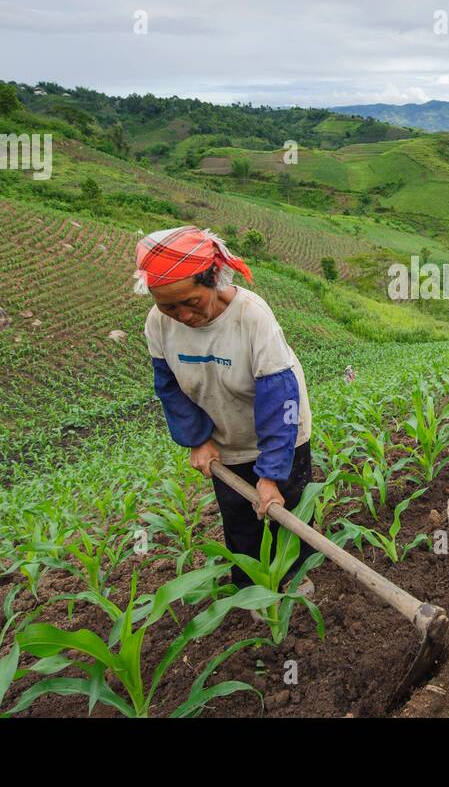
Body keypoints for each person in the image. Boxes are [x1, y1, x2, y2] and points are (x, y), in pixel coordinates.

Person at [134, 224, 315, 591]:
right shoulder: (158, 324)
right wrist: (197, 440)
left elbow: (280, 400)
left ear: (214, 278)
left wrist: (270, 474)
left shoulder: (251, 318)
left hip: (281, 434)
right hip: (225, 439)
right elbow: (168, 386)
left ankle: (296, 584)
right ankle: (249, 593)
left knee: (288, 513)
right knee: (239, 520)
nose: (182, 315)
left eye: (191, 302)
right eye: (167, 305)